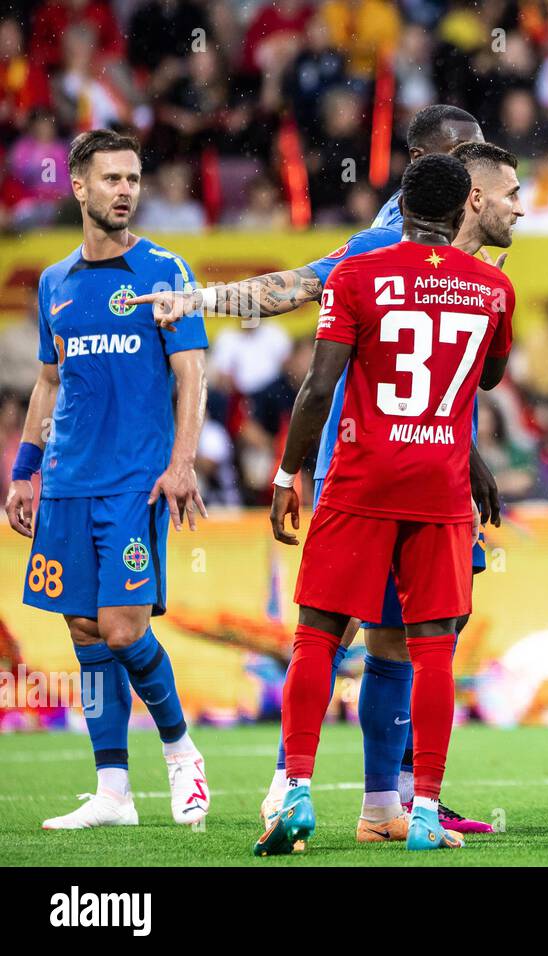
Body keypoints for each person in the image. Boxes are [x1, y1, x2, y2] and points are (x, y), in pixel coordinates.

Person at [124, 105, 502, 841]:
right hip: (363, 468)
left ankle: (392, 802)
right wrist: (197, 301)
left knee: (401, 637)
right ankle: (287, 784)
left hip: (434, 463)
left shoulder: (467, 256)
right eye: (470, 157)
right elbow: (293, 289)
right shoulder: (383, 243)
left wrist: (473, 454)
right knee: (335, 630)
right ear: (432, 164)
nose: (484, 174)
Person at [256, 152, 514, 854]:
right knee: (432, 651)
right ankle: (422, 809)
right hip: (440, 484)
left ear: (400, 205)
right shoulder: (491, 287)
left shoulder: (356, 275)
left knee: (317, 635)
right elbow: (486, 377)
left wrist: (287, 476)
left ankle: (297, 791)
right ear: (467, 204)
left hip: (362, 479)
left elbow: (318, 387)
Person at [3, 129, 210, 830]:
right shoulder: (56, 284)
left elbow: (192, 374)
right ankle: (112, 791)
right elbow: (49, 383)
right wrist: (25, 474)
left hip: (134, 482)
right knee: (86, 632)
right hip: (65, 485)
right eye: (113, 179)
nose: (126, 190)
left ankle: (182, 754)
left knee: (124, 631)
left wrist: (182, 463)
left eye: (134, 179)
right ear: (79, 186)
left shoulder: (165, 270)